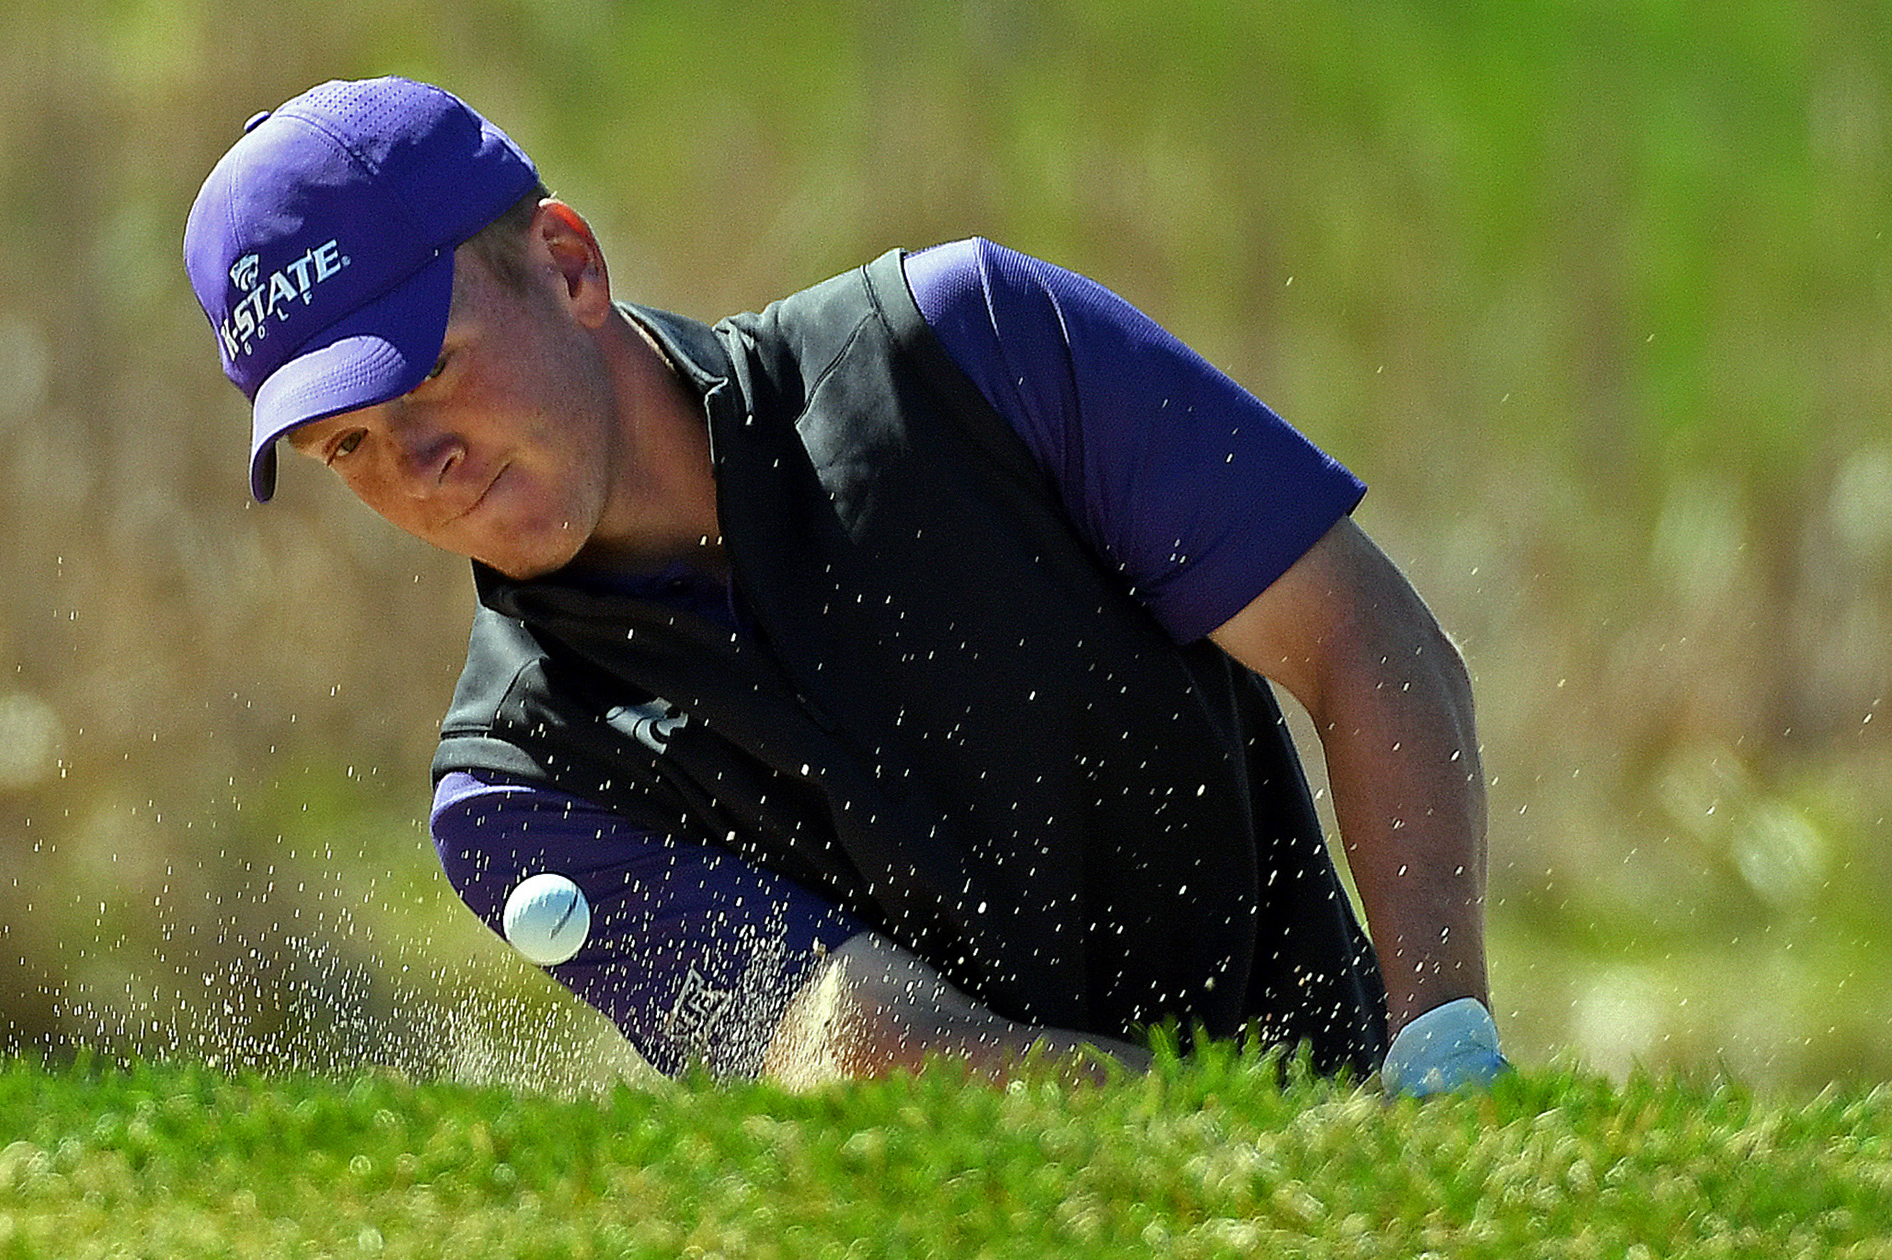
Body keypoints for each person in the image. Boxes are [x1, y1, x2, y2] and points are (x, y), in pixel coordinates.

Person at [184, 76, 1507, 1095]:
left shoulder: (971, 348)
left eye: (430, 373)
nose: (416, 466)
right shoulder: (518, 792)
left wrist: (1437, 1047)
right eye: (344, 446)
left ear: (570, 266)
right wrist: (1259, 1140)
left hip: (1354, 1111)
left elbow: (1363, 643)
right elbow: (855, 1039)